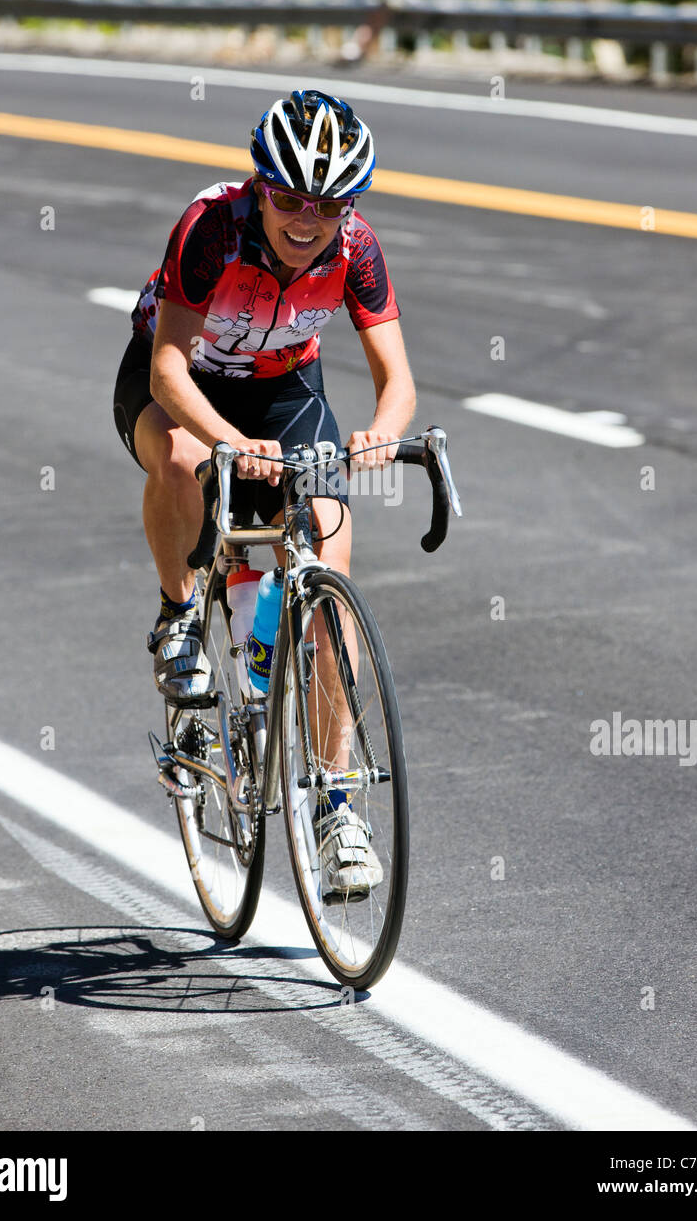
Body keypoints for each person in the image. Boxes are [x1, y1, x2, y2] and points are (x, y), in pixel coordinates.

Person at [113, 88, 416, 894]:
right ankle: (180, 618)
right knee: (180, 462)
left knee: (330, 555)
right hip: (182, 386)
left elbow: (398, 381)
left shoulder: (356, 249)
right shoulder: (212, 227)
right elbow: (168, 367)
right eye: (288, 197)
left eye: (329, 202)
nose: (306, 218)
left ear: (350, 204)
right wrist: (225, 441)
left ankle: (334, 805)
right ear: (260, 187)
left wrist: (383, 428)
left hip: (285, 391)